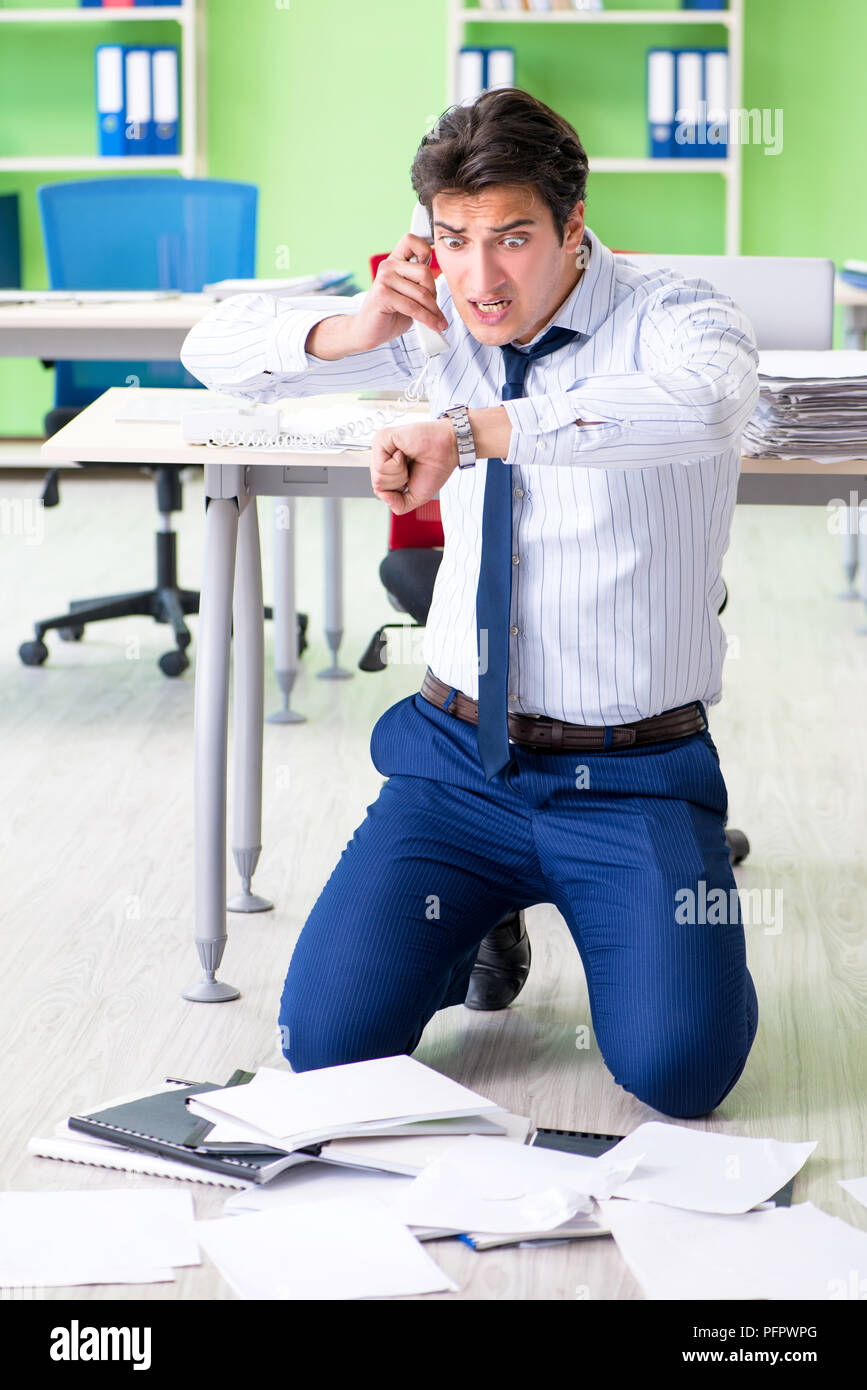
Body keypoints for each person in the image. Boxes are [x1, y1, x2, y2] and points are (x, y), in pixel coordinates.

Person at [180, 87, 761, 1119]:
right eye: (453, 240)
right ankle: (478, 919)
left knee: (682, 1071)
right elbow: (210, 353)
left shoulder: (679, 315)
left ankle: (600, 903)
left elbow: (705, 404)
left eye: (512, 239)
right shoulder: (431, 321)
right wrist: (353, 325)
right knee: (327, 1045)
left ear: (574, 225)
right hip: (458, 764)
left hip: (631, 774)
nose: (481, 279)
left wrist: (480, 426)